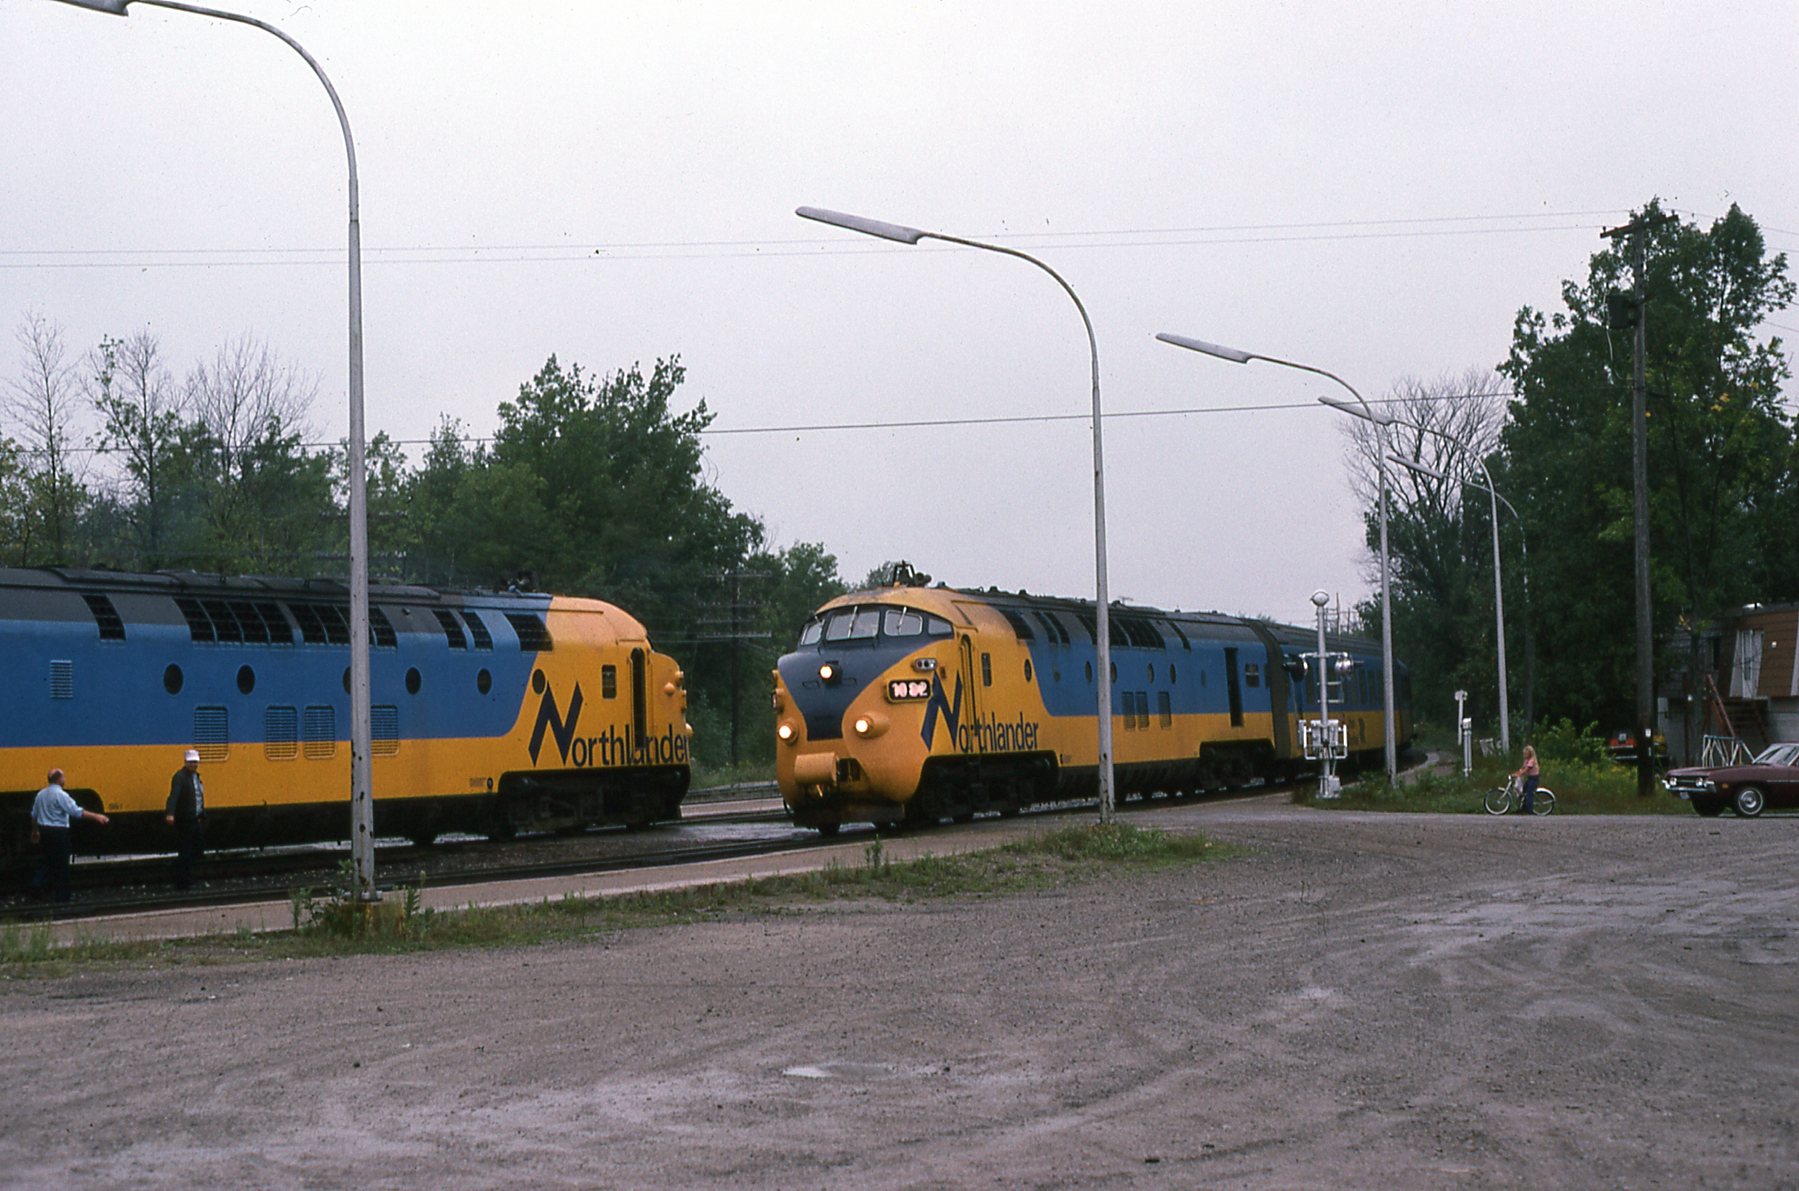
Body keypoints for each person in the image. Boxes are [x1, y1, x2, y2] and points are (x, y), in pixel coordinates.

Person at [30, 768, 109, 904]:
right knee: (61, 866)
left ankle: (35, 885)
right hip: (59, 833)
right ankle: (63, 898)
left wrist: (35, 831)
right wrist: (97, 816)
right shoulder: (61, 795)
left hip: (45, 832)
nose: (65, 779)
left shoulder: (41, 795)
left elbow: (33, 815)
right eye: (63, 777)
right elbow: (76, 812)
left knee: (47, 861)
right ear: (59, 779)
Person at [166, 748, 207, 890]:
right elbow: (174, 796)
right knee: (185, 851)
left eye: (195, 762)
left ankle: (187, 877)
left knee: (195, 849)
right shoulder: (180, 777)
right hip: (185, 819)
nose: (193, 765)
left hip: (195, 818)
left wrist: (201, 814)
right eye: (191, 762)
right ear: (185, 762)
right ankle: (183, 881)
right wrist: (170, 813)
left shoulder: (196, 777)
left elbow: (199, 797)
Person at [1512, 744, 1541, 814]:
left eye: (1526, 753)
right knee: (1523, 793)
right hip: (1530, 778)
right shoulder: (1526, 760)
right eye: (1524, 753)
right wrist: (1515, 773)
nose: (1524, 755)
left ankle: (1530, 810)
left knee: (1529, 794)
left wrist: (1519, 774)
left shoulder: (1532, 760)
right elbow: (1522, 769)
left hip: (1534, 778)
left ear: (1530, 753)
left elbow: (1527, 770)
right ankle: (1523, 808)